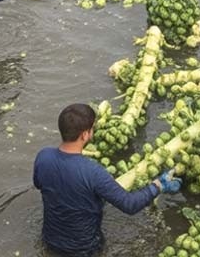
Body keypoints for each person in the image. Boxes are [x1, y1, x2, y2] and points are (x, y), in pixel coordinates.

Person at [33, 104, 181, 257]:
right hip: (85, 250)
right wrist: (157, 186)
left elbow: (40, 185)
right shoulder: (94, 172)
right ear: (85, 135)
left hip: (50, 241)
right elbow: (129, 205)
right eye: (92, 129)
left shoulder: (43, 157)